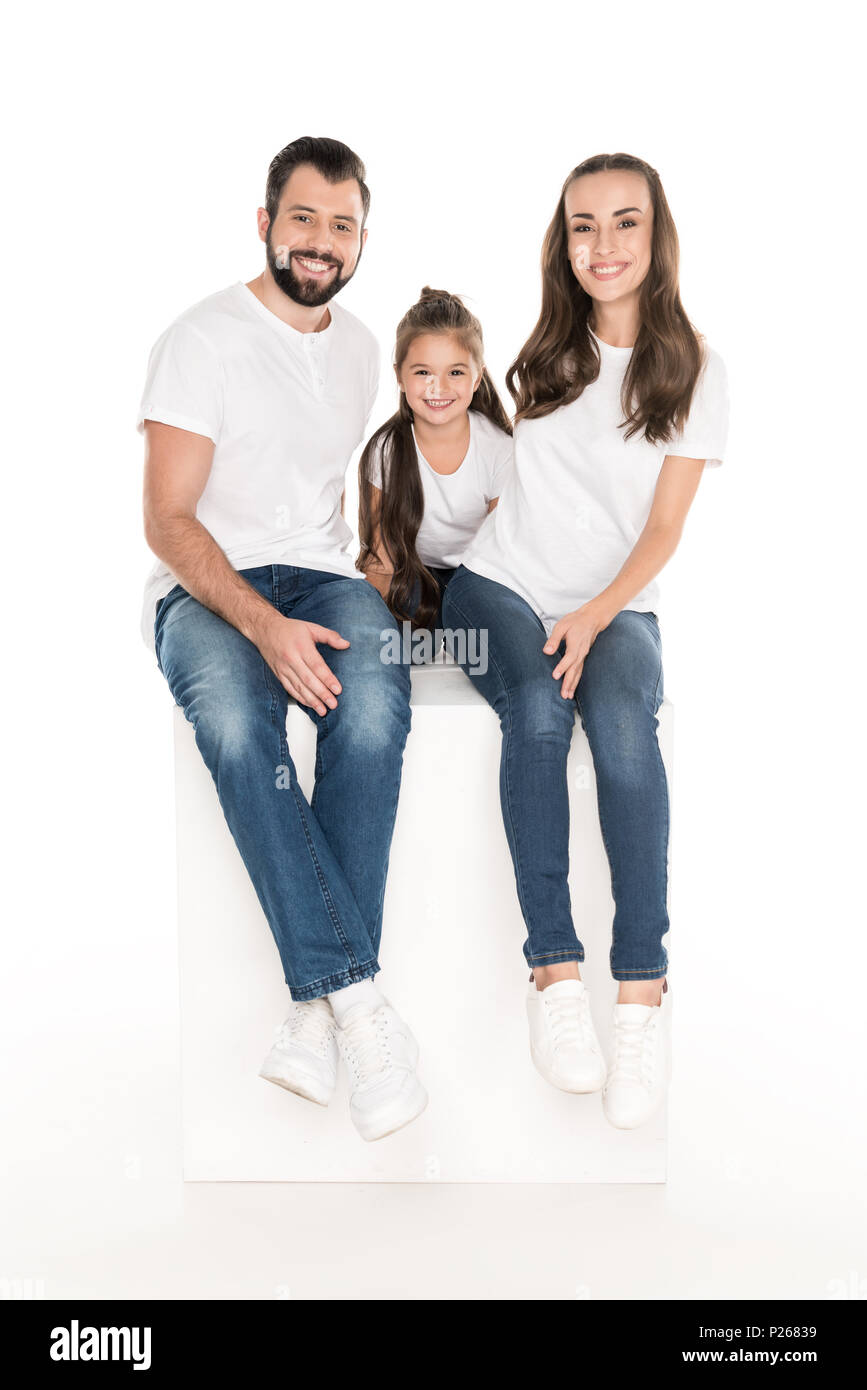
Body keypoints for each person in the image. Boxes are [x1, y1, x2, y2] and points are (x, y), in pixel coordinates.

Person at [138, 136, 426, 1144]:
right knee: (234, 723)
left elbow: (344, 486)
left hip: (323, 574)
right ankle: (362, 1005)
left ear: (359, 240)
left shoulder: (357, 346)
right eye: (302, 218)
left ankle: (312, 1009)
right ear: (265, 223)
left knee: (377, 708)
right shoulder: (200, 340)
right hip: (207, 586)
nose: (321, 241)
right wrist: (260, 627)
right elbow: (169, 520)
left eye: (342, 225)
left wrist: (385, 582)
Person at [441, 153, 730, 1129]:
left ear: (657, 237)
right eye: (582, 226)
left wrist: (598, 612)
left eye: (624, 223)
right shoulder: (548, 351)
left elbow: (661, 531)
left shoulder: (695, 371)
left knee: (622, 735)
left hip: (617, 605)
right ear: (563, 243)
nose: (602, 246)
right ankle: (555, 979)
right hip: (497, 588)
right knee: (535, 714)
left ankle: (640, 999)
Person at [357, 286, 512, 651]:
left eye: (455, 372)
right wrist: (367, 624)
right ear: (399, 375)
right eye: (423, 371)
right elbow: (380, 559)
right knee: (382, 626)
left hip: (480, 579)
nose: (438, 387)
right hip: (413, 577)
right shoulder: (387, 450)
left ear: (477, 377)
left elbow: (503, 558)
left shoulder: (499, 450)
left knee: (480, 624)